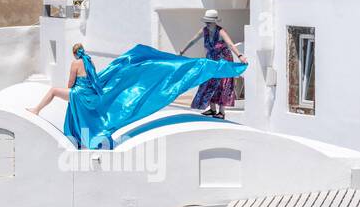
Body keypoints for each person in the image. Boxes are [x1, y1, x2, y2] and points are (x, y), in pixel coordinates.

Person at [29, 43, 246, 149]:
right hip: (93, 96)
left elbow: (70, 84)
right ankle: (83, 139)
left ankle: (37, 109)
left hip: (81, 95)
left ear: (74, 53)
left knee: (54, 91)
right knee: (77, 108)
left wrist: (76, 88)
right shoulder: (89, 62)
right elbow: (95, 80)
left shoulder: (76, 63)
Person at [180, 9, 247, 120]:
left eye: (209, 22)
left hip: (223, 61)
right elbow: (193, 40)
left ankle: (221, 112)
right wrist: (182, 51)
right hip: (211, 60)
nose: (207, 24)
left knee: (222, 85)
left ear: (215, 22)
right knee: (208, 82)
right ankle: (212, 108)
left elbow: (230, 44)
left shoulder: (221, 32)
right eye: (206, 21)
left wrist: (240, 56)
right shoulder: (204, 31)